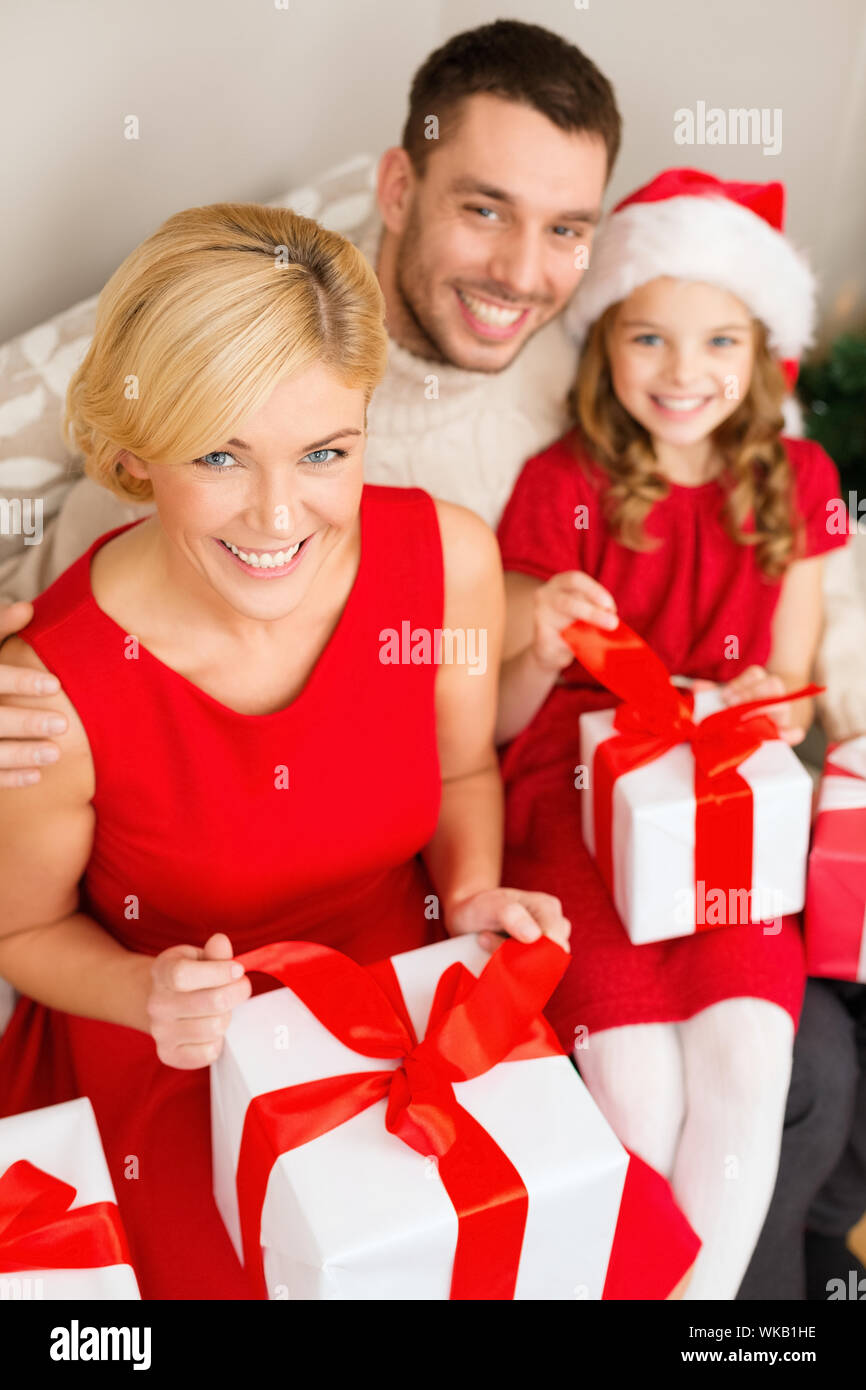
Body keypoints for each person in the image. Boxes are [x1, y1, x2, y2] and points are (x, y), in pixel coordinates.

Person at [0, 201, 699, 1300]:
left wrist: (469, 893)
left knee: (549, 1253)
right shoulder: (51, 687)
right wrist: (147, 992)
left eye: (323, 451)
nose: (279, 515)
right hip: (175, 1039)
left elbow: (463, 768)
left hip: (400, 983)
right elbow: (25, 930)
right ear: (137, 456)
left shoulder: (449, 560)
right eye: (220, 455)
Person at [0, 19, 619, 783]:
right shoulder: (238, 353)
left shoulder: (583, 385)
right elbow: (51, 621)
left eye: (565, 229)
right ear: (397, 189)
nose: (523, 274)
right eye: (485, 211)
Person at [493, 168, 849, 1300]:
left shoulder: (799, 479)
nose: (682, 374)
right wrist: (540, 641)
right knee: (638, 1079)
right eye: (647, 338)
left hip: (720, 798)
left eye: (717, 343)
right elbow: (499, 722)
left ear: (759, 354)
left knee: (747, 1057)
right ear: (602, 344)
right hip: (568, 793)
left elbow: (791, 692)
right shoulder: (560, 486)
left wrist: (764, 695)